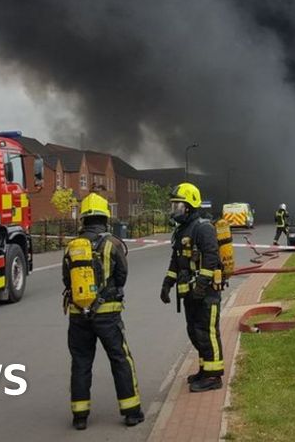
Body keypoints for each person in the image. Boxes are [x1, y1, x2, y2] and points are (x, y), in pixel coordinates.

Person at [63, 193, 144, 430]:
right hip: (107, 315)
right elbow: (122, 277)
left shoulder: (72, 246)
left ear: (84, 219)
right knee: (120, 359)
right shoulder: (113, 244)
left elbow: (65, 279)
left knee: (80, 362)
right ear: (105, 218)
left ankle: (80, 416)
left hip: (78, 316)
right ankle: (131, 412)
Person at [160, 182, 225, 392]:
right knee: (195, 332)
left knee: (208, 333)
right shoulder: (182, 231)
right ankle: (205, 369)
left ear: (189, 206)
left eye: (178, 206)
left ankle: (214, 377)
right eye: (173, 206)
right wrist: (167, 283)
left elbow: (211, 259)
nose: (174, 210)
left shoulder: (203, 228)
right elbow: (176, 259)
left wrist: (201, 286)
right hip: (190, 294)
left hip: (206, 293)